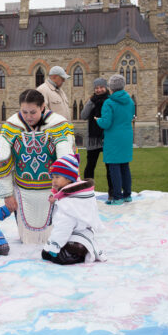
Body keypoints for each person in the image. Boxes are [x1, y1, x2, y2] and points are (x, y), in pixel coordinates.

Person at [0, 89, 75, 244]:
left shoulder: (58, 125)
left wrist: (65, 191)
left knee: (53, 238)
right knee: (27, 240)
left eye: (33, 112)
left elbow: (68, 162)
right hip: (22, 191)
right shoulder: (11, 127)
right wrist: (7, 194)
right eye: (24, 112)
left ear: (42, 107)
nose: (28, 116)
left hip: (52, 191)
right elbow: (2, 162)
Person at [41, 154, 106, 265]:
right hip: (74, 235)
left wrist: (54, 246)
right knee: (46, 254)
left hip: (78, 240)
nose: (53, 181)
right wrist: (56, 199)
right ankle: (67, 250)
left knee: (57, 257)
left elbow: (63, 227)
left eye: (57, 177)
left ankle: (79, 255)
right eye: (52, 177)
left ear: (68, 178)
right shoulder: (71, 196)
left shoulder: (68, 205)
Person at [95, 74, 135, 205]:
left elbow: (106, 123)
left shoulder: (109, 103)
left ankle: (117, 197)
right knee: (125, 166)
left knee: (114, 166)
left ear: (111, 87)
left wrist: (98, 120)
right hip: (127, 136)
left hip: (113, 138)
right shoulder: (130, 101)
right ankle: (127, 195)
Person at [80, 77, 112, 195]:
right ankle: (87, 192)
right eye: (96, 88)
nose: (99, 90)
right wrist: (90, 102)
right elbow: (83, 115)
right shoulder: (92, 101)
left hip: (107, 137)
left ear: (106, 88)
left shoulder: (110, 100)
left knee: (110, 167)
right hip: (93, 138)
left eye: (101, 87)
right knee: (90, 166)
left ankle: (112, 192)